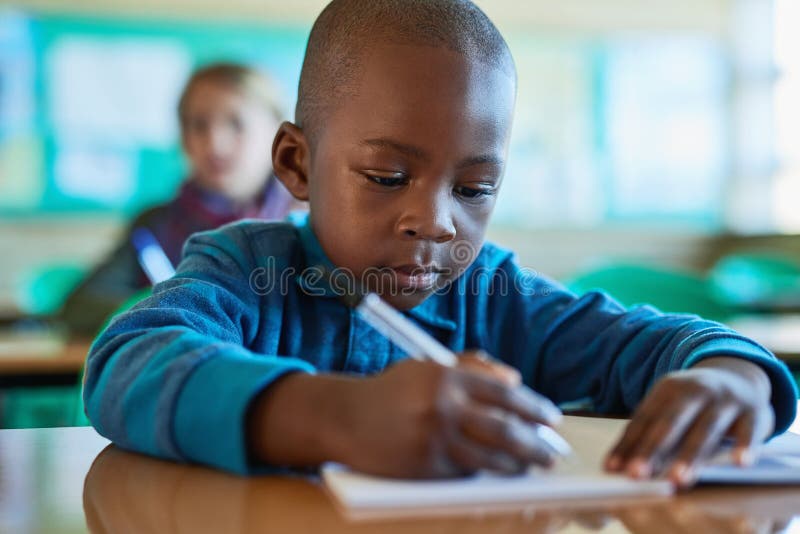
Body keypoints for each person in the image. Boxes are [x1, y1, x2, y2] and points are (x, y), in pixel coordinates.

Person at [84, 0, 797, 488]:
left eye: (476, 188)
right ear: (298, 165)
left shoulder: (496, 296)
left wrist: (734, 373)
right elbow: (123, 364)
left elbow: (653, 343)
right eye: (388, 176)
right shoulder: (245, 270)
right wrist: (337, 417)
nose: (438, 223)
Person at [60, 63, 303, 336]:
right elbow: (79, 307)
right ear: (184, 139)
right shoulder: (156, 225)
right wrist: (178, 306)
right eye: (198, 125)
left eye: (236, 123)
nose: (215, 144)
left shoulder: (308, 222)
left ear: (279, 135)